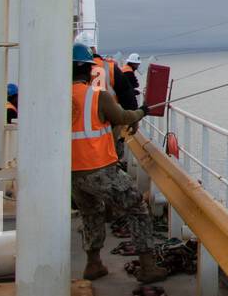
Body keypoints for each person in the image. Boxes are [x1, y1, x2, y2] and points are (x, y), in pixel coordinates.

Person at [70, 43, 166, 283]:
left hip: (72, 172)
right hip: (99, 168)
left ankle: (93, 264)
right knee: (136, 207)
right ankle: (147, 266)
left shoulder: (56, 97)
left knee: (91, 213)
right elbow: (122, 117)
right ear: (88, 69)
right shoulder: (96, 95)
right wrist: (142, 111)